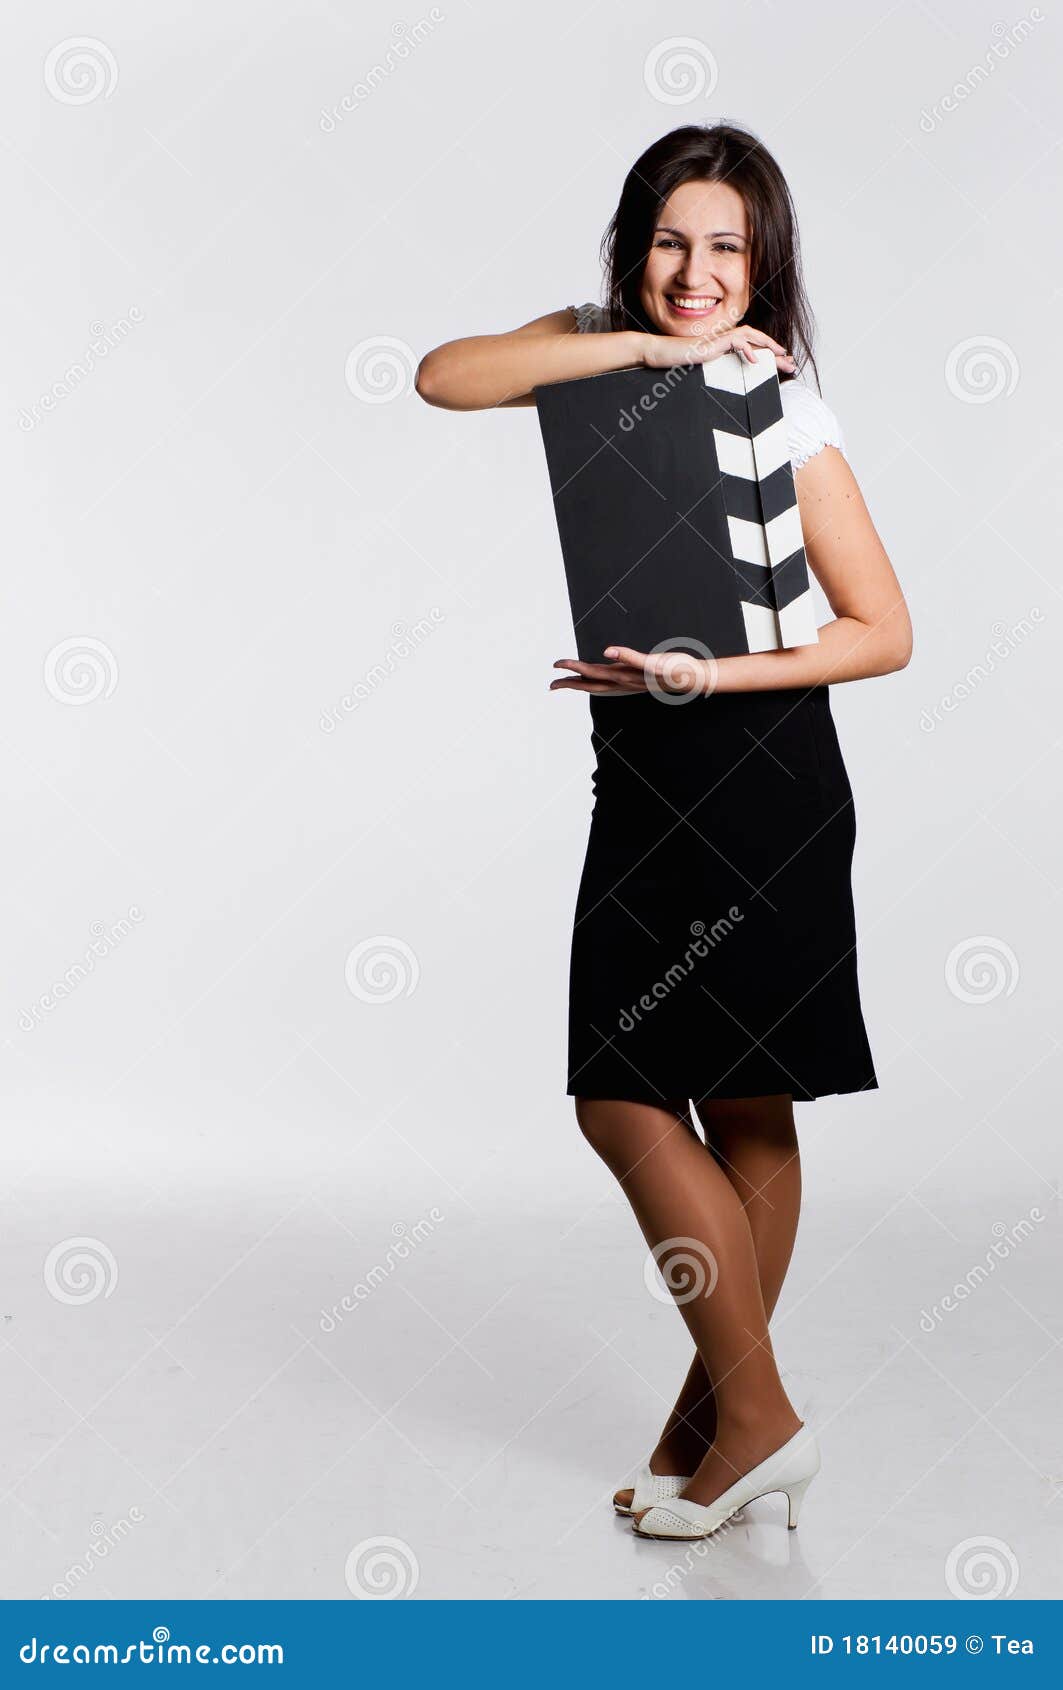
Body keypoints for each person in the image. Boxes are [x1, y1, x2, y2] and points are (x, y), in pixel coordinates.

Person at [415, 123, 912, 1542]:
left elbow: (884, 633)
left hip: (762, 775)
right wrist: (644, 355)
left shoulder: (785, 411)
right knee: (667, 1091)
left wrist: (707, 674)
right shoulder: (591, 350)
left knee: (674, 1095)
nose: (697, 274)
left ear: (767, 262)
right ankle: (721, 1429)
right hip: (638, 776)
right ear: (637, 245)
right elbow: (446, 377)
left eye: (728, 248)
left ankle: (748, 1423)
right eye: (673, 241)